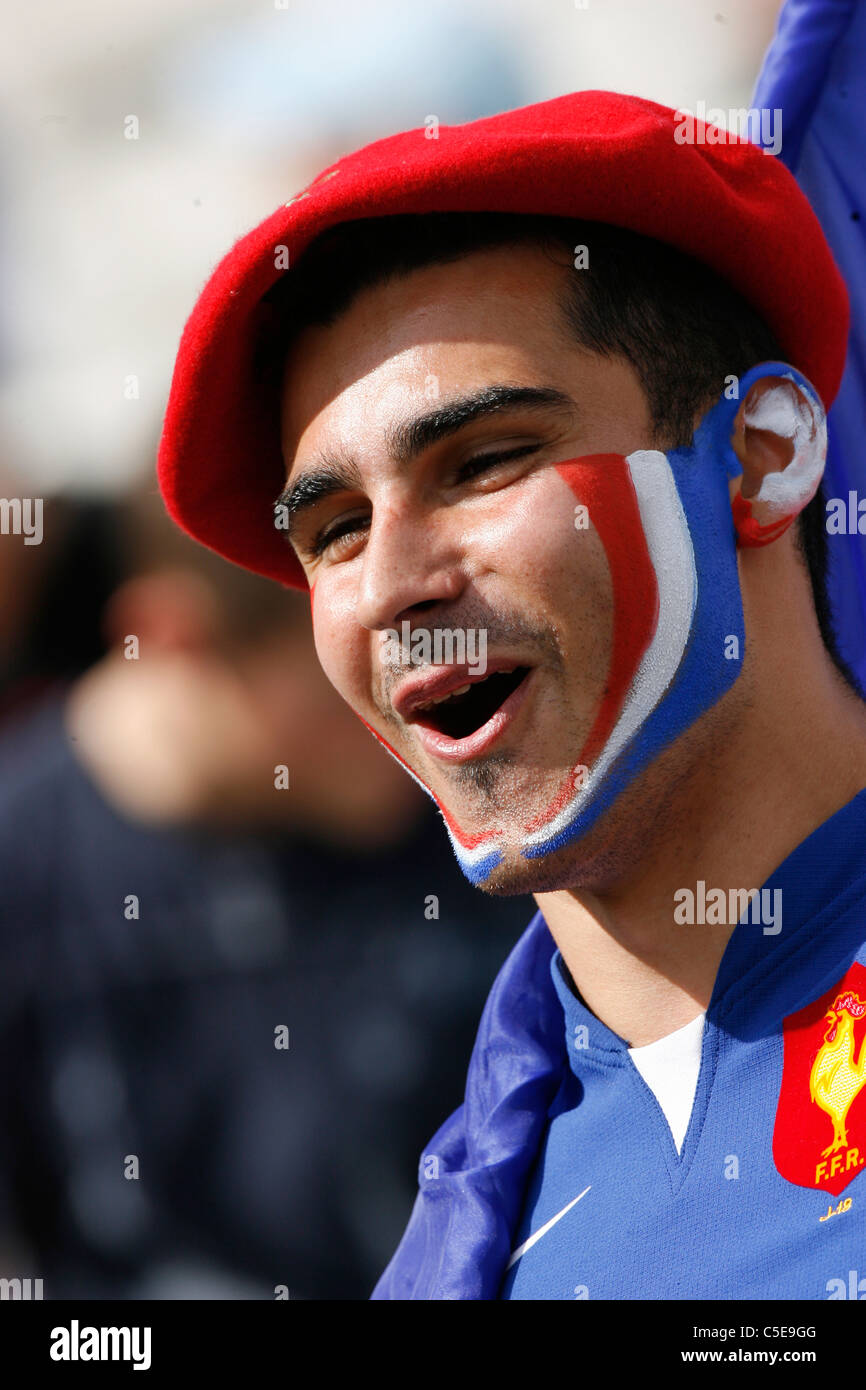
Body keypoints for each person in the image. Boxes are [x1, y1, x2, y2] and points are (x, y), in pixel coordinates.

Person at [157, 90, 866, 1299]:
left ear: (764, 452)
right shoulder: (467, 1230)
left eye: (482, 462)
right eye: (330, 531)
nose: (389, 585)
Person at [0, 485, 530, 1300]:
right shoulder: (29, 870)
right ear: (171, 637)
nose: (409, 708)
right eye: (337, 675)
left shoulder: (479, 827)